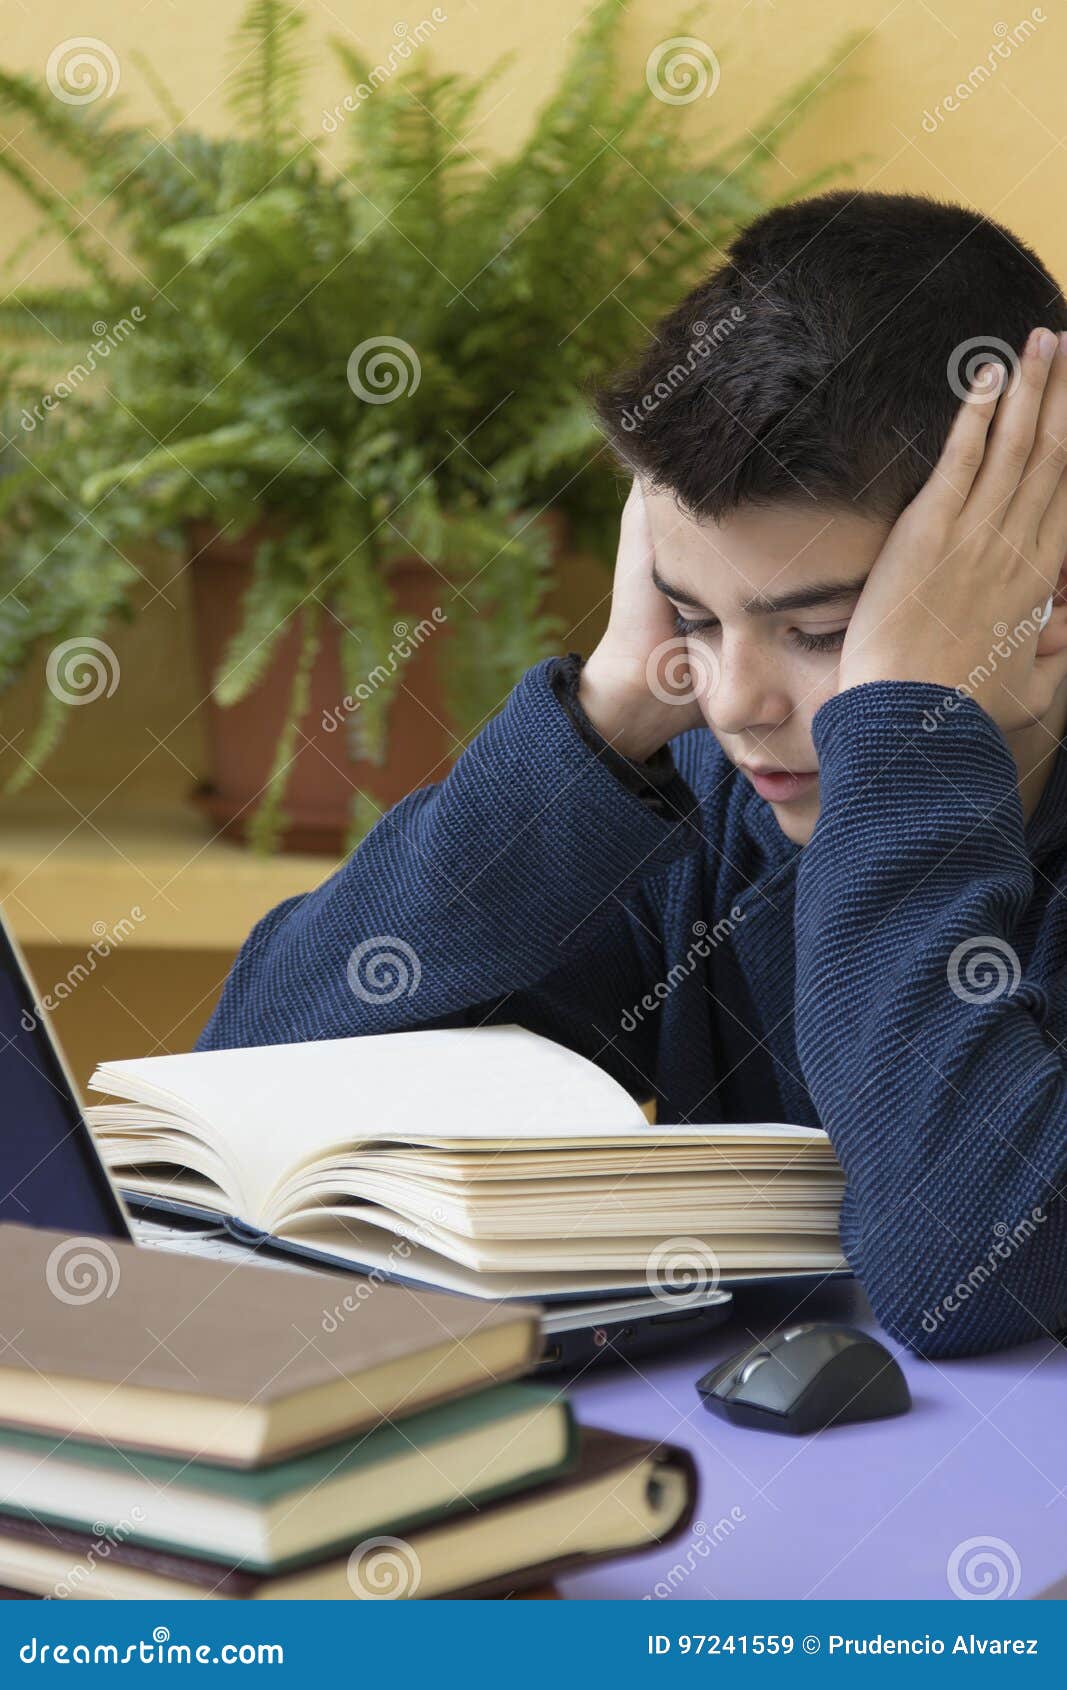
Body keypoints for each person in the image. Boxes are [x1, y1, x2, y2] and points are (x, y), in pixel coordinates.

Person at [198, 190, 1067, 1358]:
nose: (732, 701)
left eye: (824, 632)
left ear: (1042, 593)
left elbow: (963, 1265)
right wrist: (605, 715)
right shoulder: (719, 791)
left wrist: (902, 735)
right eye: (696, 617)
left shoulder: (835, 784)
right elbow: (256, 1068)